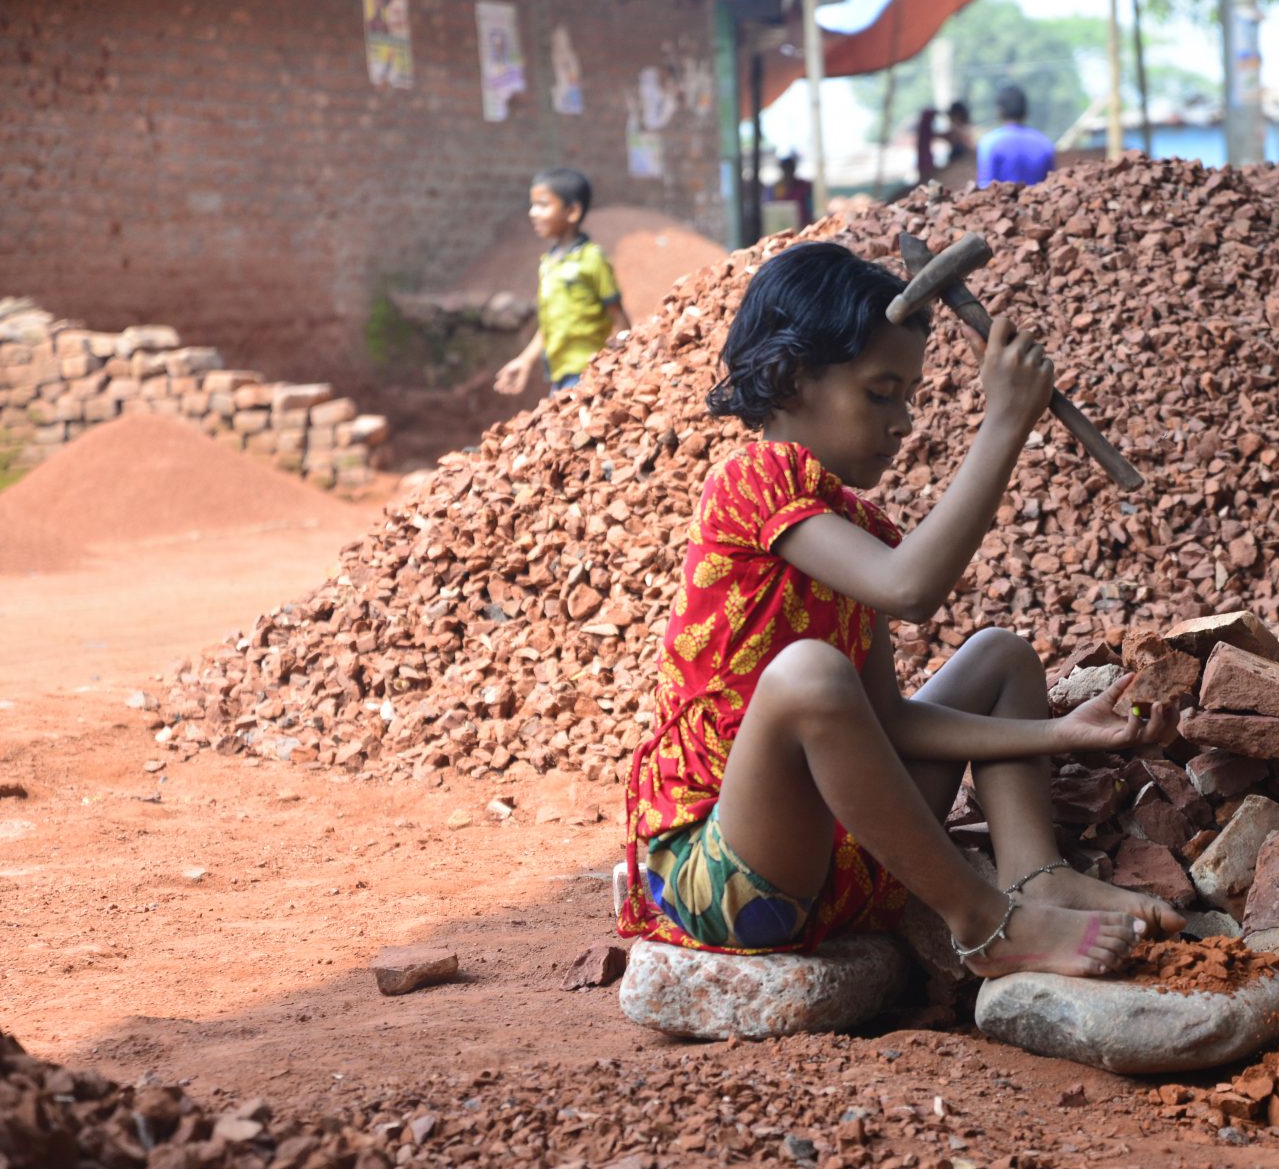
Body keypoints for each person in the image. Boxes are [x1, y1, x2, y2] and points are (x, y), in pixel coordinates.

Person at [619, 242, 1184, 975]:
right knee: (809, 676)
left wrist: (1058, 731)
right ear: (793, 380)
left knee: (1001, 655)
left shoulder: (850, 522)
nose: (905, 422)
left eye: (909, 395)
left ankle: (1033, 872)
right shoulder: (751, 479)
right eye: (882, 393)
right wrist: (1005, 422)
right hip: (724, 876)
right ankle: (985, 922)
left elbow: (889, 720)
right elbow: (911, 589)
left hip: (840, 864)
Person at [495, 168, 628, 397]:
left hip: (588, 374)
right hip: (560, 376)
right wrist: (525, 360)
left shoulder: (591, 259)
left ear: (572, 211)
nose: (533, 213)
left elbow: (618, 316)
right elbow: (550, 326)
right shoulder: (549, 264)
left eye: (543, 205)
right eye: (532, 205)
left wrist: (623, 365)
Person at [976, 84, 1056, 187]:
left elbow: (985, 185)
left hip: (1001, 202)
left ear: (1000, 111)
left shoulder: (989, 143)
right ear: (1025, 111)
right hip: (1038, 201)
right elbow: (1052, 183)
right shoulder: (1044, 143)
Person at [762, 153, 815, 233]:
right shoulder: (773, 188)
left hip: (801, 230)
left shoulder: (804, 186)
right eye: (785, 169)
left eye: (790, 168)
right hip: (778, 230)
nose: (788, 172)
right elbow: (768, 211)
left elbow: (811, 210)